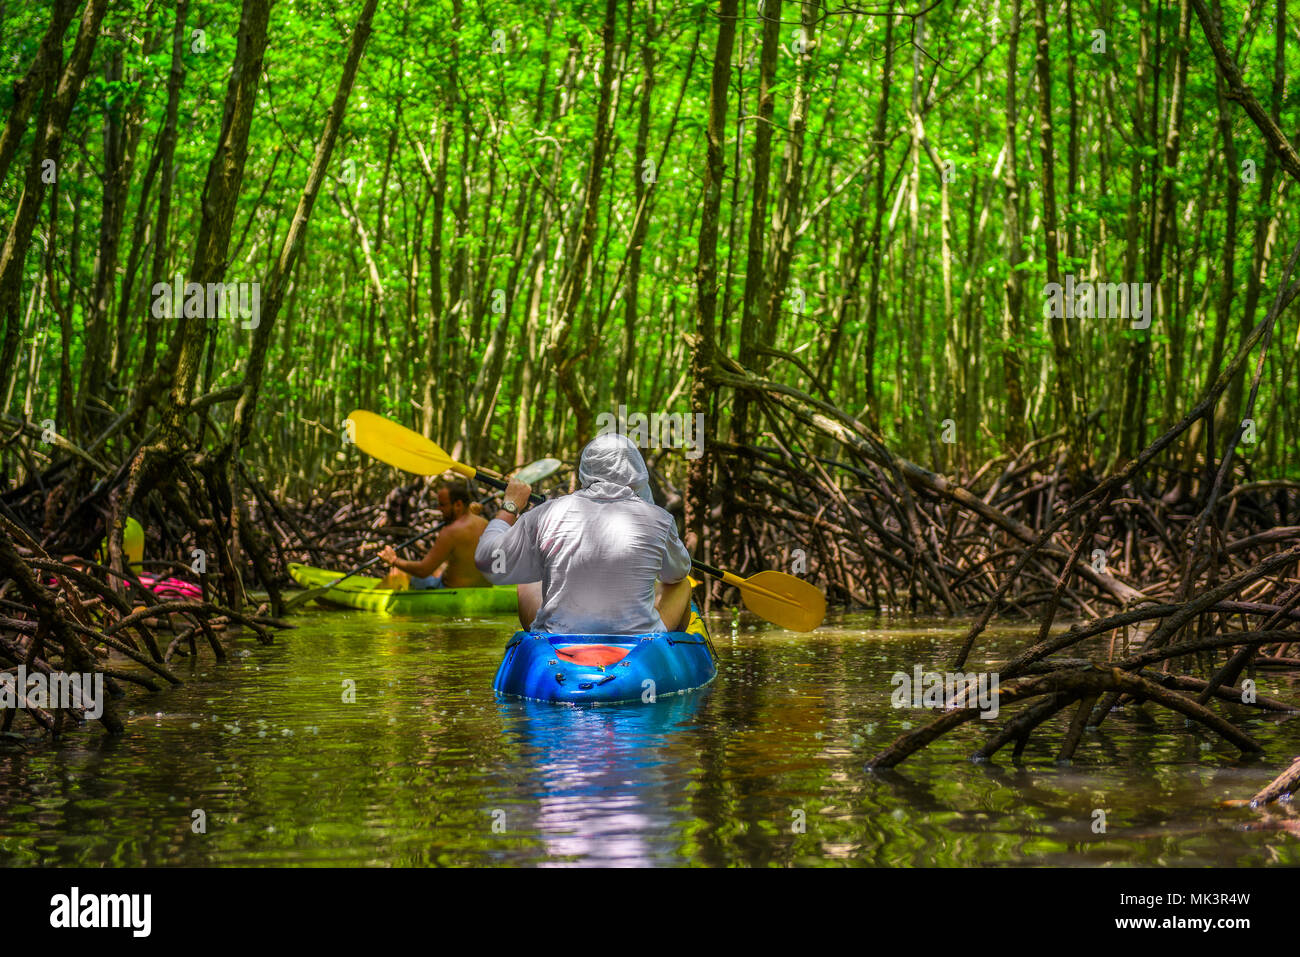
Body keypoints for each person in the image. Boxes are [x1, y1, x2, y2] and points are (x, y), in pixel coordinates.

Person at [474, 432, 693, 634]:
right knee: (682, 583)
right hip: (637, 639)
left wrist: (511, 505)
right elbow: (677, 573)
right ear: (637, 472)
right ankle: (675, 650)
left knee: (529, 580)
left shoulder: (546, 513)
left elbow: (488, 560)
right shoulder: (660, 519)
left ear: (585, 470)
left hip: (561, 636)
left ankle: (541, 647)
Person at [378, 479, 491, 589]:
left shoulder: (450, 532)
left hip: (451, 592)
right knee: (440, 568)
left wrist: (393, 560)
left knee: (399, 572)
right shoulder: (485, 524)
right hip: (482, 590)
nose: (439, 508)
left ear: (458, 505)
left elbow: (423, 571)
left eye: (442, 505)